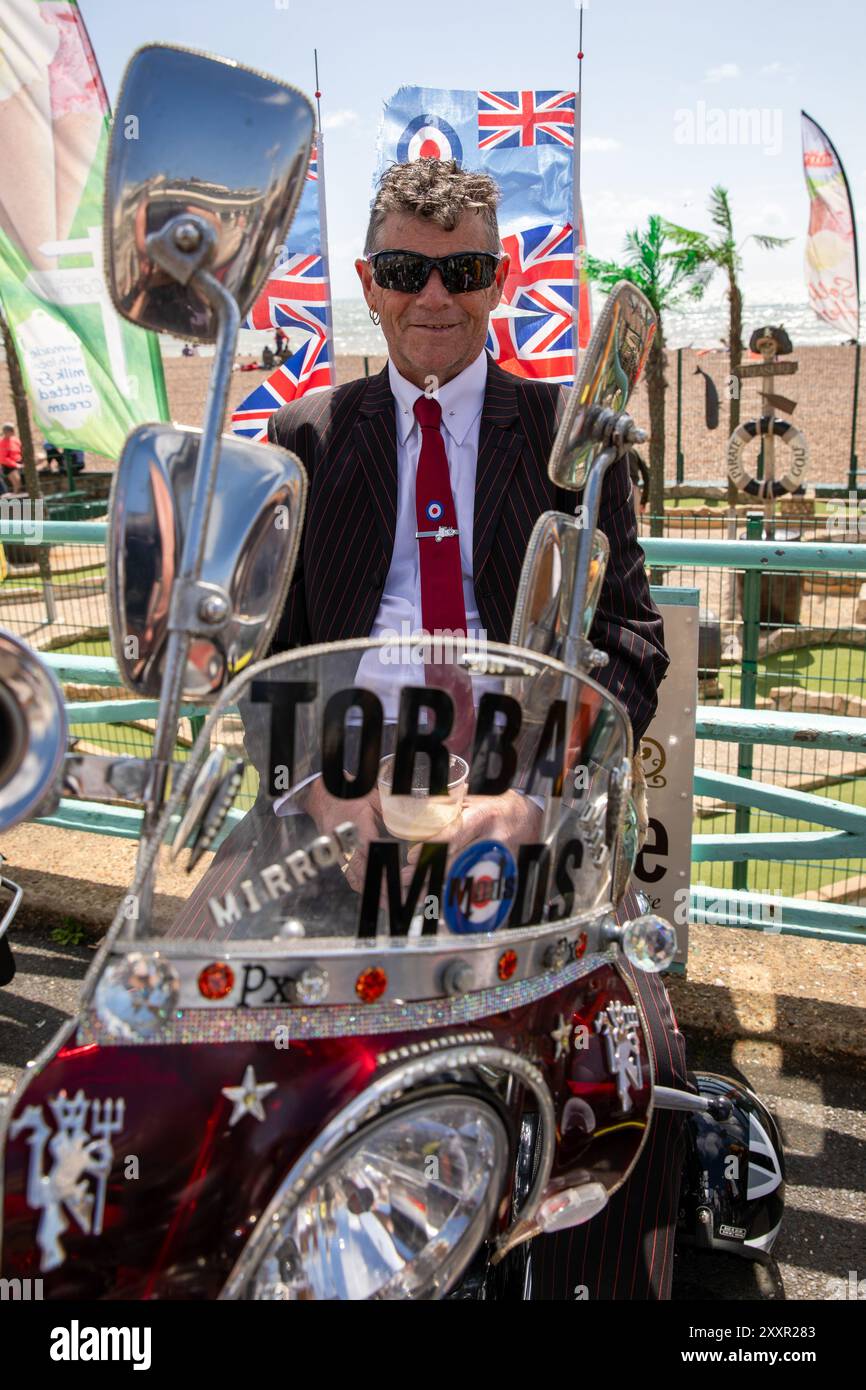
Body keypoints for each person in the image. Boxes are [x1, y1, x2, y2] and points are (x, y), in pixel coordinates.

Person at [180, 159, 686, 1299]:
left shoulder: (573, 438)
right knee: (185, 1003)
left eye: (461, 271)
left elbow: (633, 640)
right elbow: (255, 657)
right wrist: (313, 786)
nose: (434, 297)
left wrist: (542, 779)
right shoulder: (308, 435)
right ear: (368, 281)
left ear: (498, 278)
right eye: (407, 270)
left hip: (517, 806)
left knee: (632, 1065)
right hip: (337, 804)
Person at [0, 423, 22, 493]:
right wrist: (16, 465)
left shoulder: (15, 440)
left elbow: (21, 449)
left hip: (19, 462)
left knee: (19, 483)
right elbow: (3, 459)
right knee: (17, 482)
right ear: (5, 432)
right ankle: (15, 498)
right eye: (11, 430)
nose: (13, 432)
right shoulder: (2, 443)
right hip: (9, 466)